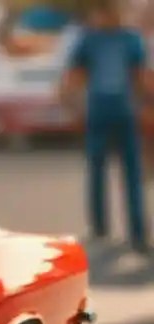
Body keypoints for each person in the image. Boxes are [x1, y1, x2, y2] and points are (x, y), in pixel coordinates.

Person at [59, 0, 150, 253]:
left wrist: (145, 106)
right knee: (98, 172)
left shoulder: (130, 39)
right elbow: (74, 76)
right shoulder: (90, 40)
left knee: (131, 174)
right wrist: (71, 104)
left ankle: (138, 232)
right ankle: (101, 229)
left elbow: (140, 76)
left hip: (124, 112)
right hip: (99, 112)